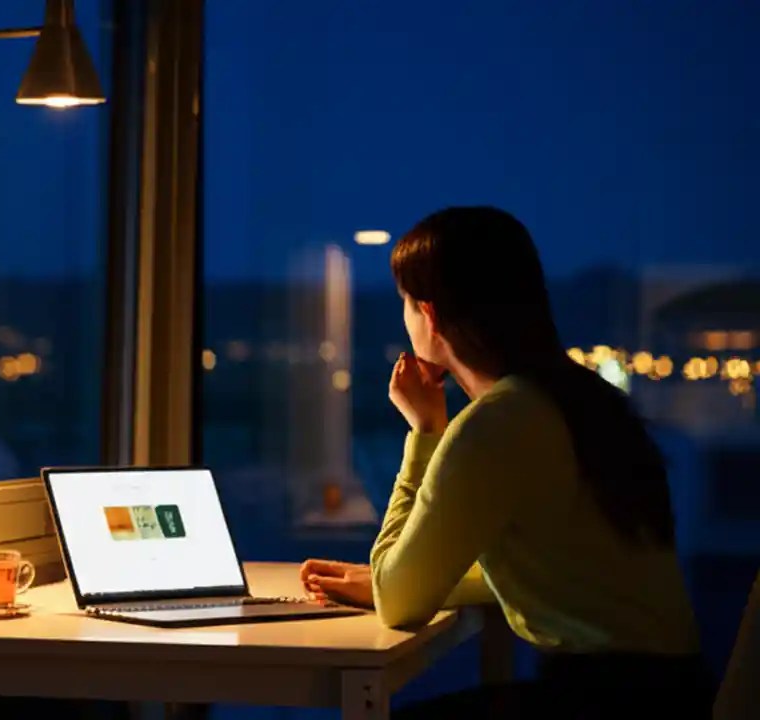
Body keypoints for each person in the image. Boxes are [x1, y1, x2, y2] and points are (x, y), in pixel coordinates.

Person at [301, 207, 713, 718]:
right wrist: (407, 576)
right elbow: (556, 566)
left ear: (428, 314)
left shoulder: (496, 424)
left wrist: (426, 432)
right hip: (670, 692)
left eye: (404, 302)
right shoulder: (577, 398)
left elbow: (398, 603)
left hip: (605, 698)